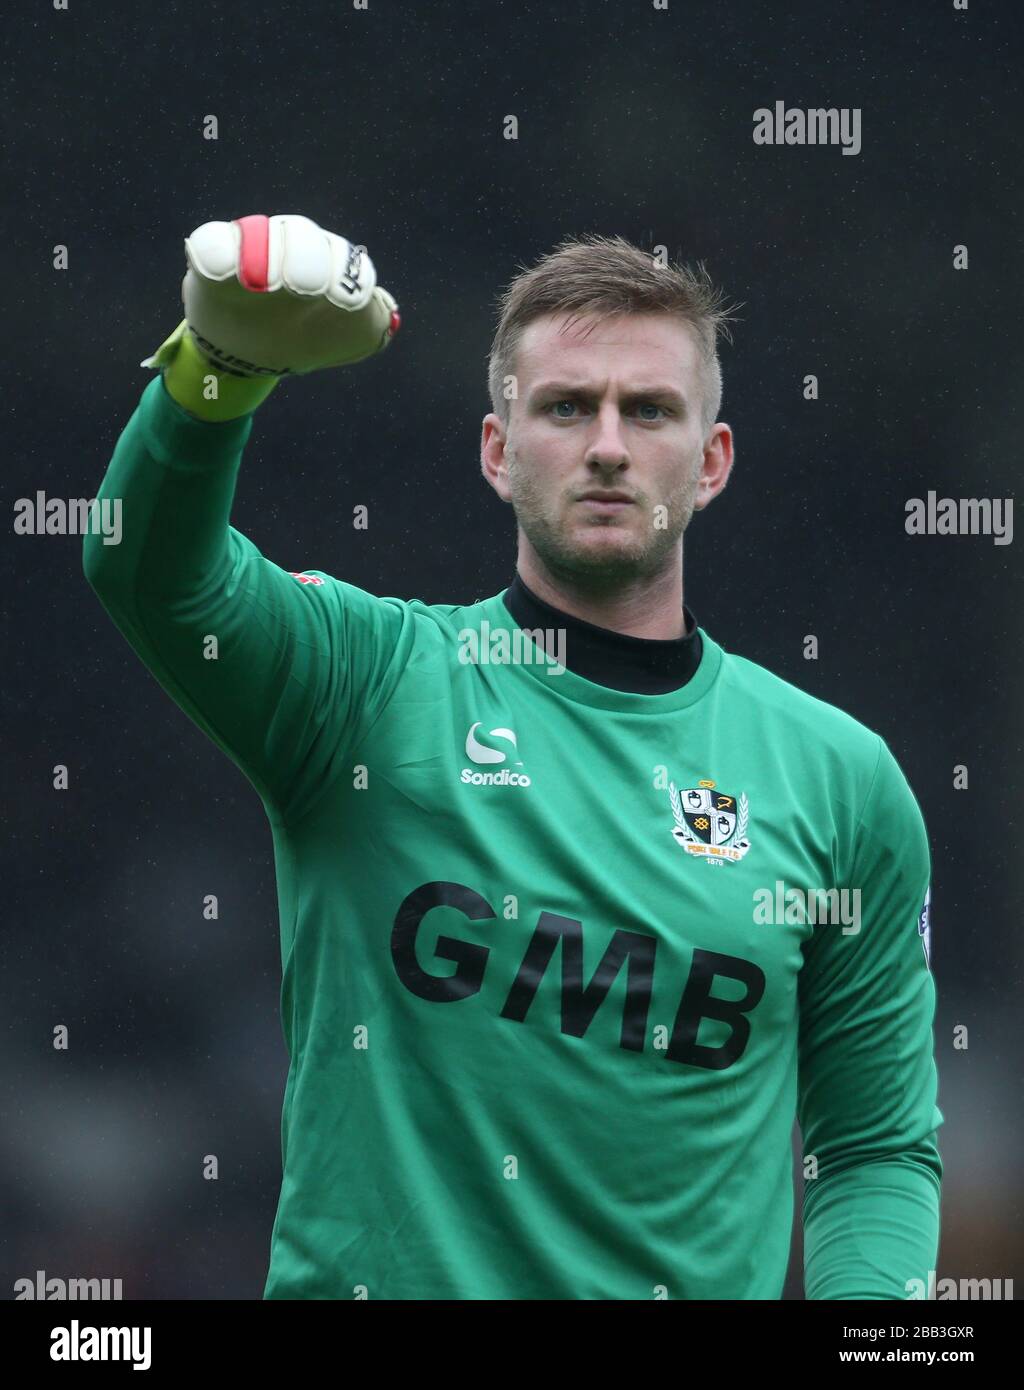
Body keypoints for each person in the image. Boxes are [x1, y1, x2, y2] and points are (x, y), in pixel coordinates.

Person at [83, 214, 942, 1300]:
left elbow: (874, 1147)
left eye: (651, 410)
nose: (609, 445)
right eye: (567, 406)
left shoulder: (840, 782)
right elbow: (148, 573)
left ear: (711, 462)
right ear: (498, 449)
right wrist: (216, 375)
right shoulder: (368, 682)